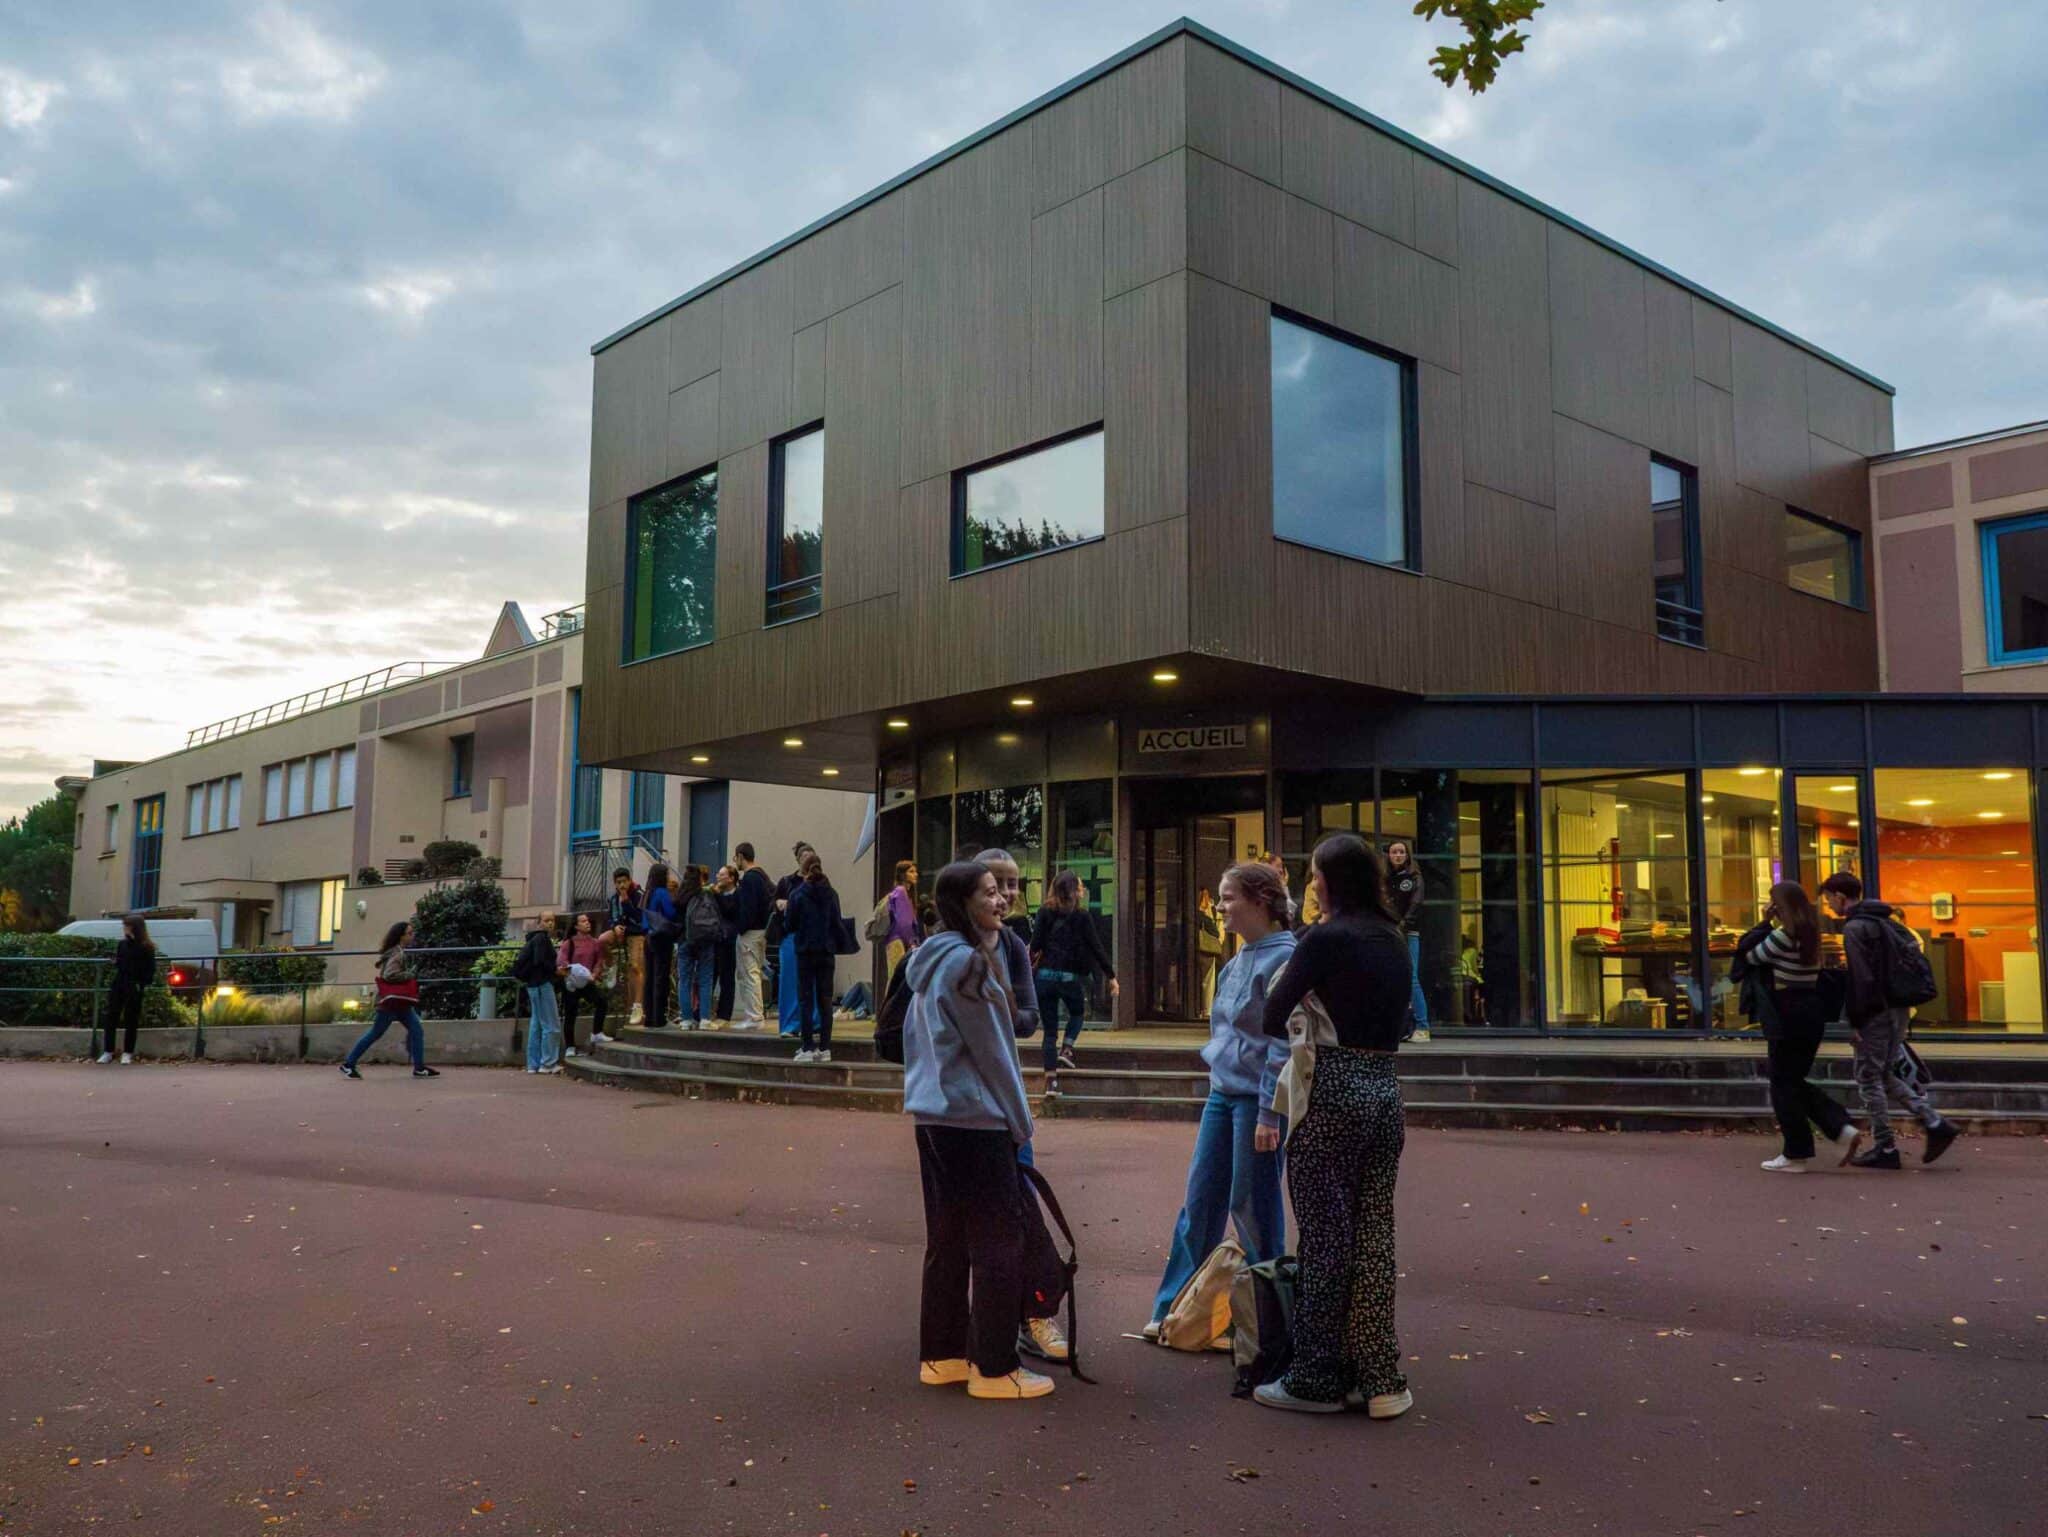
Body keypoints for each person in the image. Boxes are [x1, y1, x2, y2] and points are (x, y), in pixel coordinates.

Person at [1254, 833, 1413, 1418]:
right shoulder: (1393, 937)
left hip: (1333, 1089)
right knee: (1373, 1236)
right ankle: (1380, 1377)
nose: (1311, 883)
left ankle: (1315, 1377)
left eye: (1316, 874)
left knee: (1323, 1238)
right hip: (1383, 1090)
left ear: (1333, 880)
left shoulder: (1325, 938)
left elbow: (1273, 1015)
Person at [903, 860, 1050, 1401]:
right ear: (965, 902)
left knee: (946, 1238)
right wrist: (1020, 1120)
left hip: (933, 1116)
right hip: (976, 1118)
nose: (1001, 900)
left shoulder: (927, 959)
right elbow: (996, 1054)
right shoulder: (969, 966)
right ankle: (994, 1367)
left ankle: (942, 1355)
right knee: (998, 1240)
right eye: (989, 893)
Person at [1146, 861, 1295, 1339]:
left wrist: (1271, 1110)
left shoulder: (1284, 959)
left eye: (1229, 898)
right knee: (1200, 1202)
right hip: (1223, 1095)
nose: (1222, 907)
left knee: (1253, 1209)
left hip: (1256, 1101)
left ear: (1260, 901)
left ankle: (1267, 1324)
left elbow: (1283, 1043)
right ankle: (1174, 1310)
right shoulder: (1237, 959)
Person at [1820, 871, 1962, 1168]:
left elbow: (1861, 978)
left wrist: (1855, 1021)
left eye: (1829, 899)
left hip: (1875, 1012)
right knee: (1884, 1073)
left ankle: (1886, 1147)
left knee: (1868, 1077)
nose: (1828, 905)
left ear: (1840, 896)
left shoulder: (1855, 928)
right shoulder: (1885, 921)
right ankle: (1934, 1123)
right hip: (1898, 1008)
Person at [1736, 882, 1860, 1172]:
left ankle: (1797, 1153)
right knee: (1792, 1080)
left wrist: (1763, 921)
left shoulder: (1783, 935)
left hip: (1786, 1012)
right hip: (1811, 1011)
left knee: (1782, 1083)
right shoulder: (1810, 934)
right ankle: (1839, 1127)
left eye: (1773, 903)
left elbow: (1750, 955)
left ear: (1780, 906)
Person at [1030, 871, 1118, 1079]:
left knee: (1049, 1032)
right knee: (1077, 1013)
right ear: (1073, 891)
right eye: (1080, 887)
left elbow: (1035, 945)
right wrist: (1111, 976)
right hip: (1069, 977)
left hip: (1045, 976)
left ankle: (1050, 1082)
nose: (1083, 890)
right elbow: (1096, 947)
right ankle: (1067, 1048)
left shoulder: (1044, 911)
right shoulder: (1082, 916)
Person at [341, 921, 438, 1080]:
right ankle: (348, 1064)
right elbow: (389, 975)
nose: (412, 936)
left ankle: (419, 1068)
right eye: (409, 933)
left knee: (416, 1030)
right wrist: (409, 975)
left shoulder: (395, 951)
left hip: (398, 1002)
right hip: (392, 1003)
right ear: (401, 936)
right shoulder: (397, 954)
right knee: (376, 1033)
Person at [972, 848, 1041, 1043]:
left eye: (1011, 884)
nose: (1003, 893)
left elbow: (1030, 1019)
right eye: (993, 886)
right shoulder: (942, 947)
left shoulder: (1013, 945)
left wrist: (1001, 1011)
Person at [784, 850, 845, 1063]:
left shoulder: (798, 895)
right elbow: (838, 922)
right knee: (825, 1000)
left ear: (804, 870)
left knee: (805, 999)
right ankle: (825, 1048)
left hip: (805, 951)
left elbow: (789, 924)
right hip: (827, 952)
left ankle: (807, 1046)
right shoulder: (832, 893)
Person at [1384, 839, 1427, 1040]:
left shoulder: (1414, 878)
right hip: (1389, 932)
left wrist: (1403, 925)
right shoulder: (1386, 879)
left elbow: (1416, 905)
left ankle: (1422, 1026)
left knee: (1411, 978)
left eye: (1401, 852)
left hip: (1407, 933)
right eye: (1394, 852)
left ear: (1407, 855)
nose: (1398, 855)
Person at [773, 841, 816, 1037]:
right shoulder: (787, 882)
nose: (808, 861)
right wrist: (779, 904)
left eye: (811, 857)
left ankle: (814, 1022)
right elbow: (773, 905)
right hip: (791, 935)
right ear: (798, 860)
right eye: (804, 857)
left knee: (813, 981)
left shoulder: (819, 882)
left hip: (812, 936)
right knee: (790, 980)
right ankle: (790, 1025)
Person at [514, 912, 565, 1074]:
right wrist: (556, 971)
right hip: (542, 984)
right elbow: (540, 961)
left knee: (536, 1024)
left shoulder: (533, 939)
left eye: (552, 921)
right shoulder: (543, 939)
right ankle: (548, 1063)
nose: (550, 924)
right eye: (547, 920)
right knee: (551, 1024)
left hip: (533, 985)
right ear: (539, 922)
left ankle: (533, 1064)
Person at [100, 915, 155, 1064]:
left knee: (131, 1019)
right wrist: (115, 962)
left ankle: (127, 1052)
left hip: (134, 985)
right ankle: (108, 1051)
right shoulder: (122, 944)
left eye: (126, 925)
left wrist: (141, 983)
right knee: (111, 1016)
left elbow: (150, 969)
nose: (124, 928)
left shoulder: (146, 947)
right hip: (119, 983)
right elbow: (122, 963)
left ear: (134, 927)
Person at [557, 911, 612, 1057]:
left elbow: (599, 961)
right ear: (576, 926)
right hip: (572, 982)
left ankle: (597, 1032)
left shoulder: (595, 943)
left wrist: (594, 975)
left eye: (587, 921)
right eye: (583, 921)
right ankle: (570, 1046)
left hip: (588, 980)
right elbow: (562, 962)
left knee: (601, 1001)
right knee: (570, 1013)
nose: (587, 923)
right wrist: (570, 972)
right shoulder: (569, 943)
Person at [732, 843, 774, 1029]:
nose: (736, 863)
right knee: (754, 972)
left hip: (750, 932)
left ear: (741, 857)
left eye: (736, 858)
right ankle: (755, 1015)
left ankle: (754, 1017)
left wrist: (740, 927)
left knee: (749, 973)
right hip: (762, 931)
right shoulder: (763, 876)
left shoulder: (749, 879)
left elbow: (748, 908)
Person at [680, 865, 723, 1027]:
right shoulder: (707, 894)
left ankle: (686, 1019)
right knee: (705, 979)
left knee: (685, 980)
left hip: (685, 940)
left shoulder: (680, 897)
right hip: (705, 940)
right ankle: (705, 1018)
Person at [606, 868, 647, 1026]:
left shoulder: (638, 895)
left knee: (635, 967)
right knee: (602, 941)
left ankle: (637, 1006)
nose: (622, 885)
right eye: (618, 882)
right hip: (620, 932)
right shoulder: (613, 899)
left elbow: (639, 917)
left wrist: (626, 901)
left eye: (624, 881)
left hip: (636, 933)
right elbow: (611, 917)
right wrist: (615, 926)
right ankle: (611, 967)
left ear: (629, 880)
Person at [640, 862, 679, 1030]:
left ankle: (649, 1016)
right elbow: (671, 913)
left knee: (650, 977)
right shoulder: (662, 893)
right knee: (661, 977)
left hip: (648, 937)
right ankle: (659, 1017)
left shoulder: (647, 893)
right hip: (662, 938)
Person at [711, 864, 741, 1023]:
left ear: (731, 878)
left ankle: (724, 1013)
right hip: (715, 938)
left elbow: (729, 910)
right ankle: (704, 1010)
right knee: (711, 974)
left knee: (727, 977)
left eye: (722, 875)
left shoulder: (736, 895)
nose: (718, 877)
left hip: (729, 940)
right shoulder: (717, 894)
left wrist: (717, 895)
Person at [885, 859, 923, 977]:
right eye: (911, 872)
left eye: (915, 872)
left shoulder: (905, 893)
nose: (915, 874)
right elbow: (904, 922)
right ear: (902, 875)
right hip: (899, 942)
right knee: (897, 978)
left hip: (898, 941)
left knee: (897, 977)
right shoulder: (901, 892)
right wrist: (911, 943)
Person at [1195, 886, 1225, 1016]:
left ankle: (1201, 1008)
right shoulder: (1204, 916)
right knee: (1208, 981)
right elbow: (1216, 933)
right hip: (1206, 952)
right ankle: (1206, 1009)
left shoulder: (1189, 914)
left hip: (1197, 951)